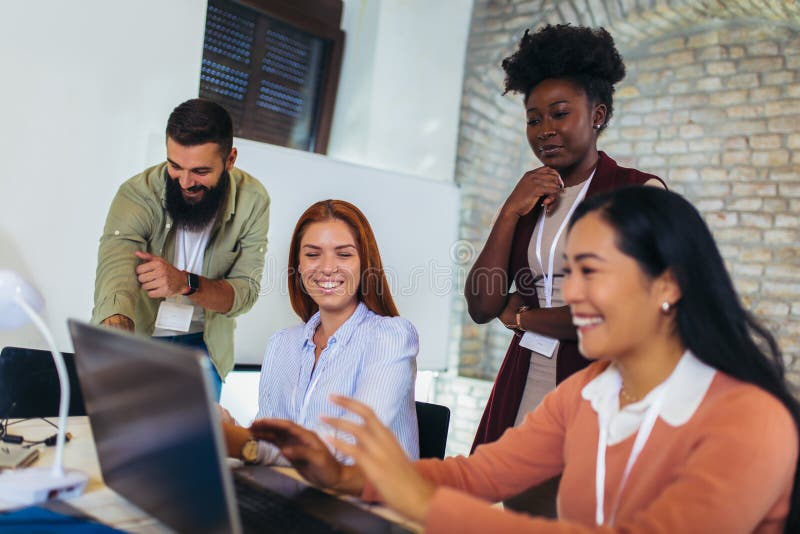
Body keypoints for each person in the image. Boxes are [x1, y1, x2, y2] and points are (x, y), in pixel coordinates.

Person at [248, 187, 800, 533]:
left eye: (591, 272)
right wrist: (343, 477)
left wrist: (421, 502)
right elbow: (478, 473)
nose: (570, 295)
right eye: (567, 273)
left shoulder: (750, 420)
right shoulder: (586, 392)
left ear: (668, 284)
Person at [466, 25, 666, 463]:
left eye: (559, 114)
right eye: (533, 119)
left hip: (603, 385)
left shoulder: (638, 193)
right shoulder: (531, 199)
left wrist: (520, 314)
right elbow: (482, 307)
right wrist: (508, 212)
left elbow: (620, 315)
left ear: (597, 114)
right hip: (526, 383)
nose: (544, 131)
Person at [92, 98, 270, 400]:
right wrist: (118, 352)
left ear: (230, 160)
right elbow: (115, 278)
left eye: (200, 171)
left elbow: (244, 293)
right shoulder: (136, 195)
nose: (185, 182)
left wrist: (184, 283)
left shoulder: (253, 200)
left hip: (205, 346)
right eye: (175, 166)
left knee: (194, 443)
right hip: (142, 337)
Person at [221, 200, 419, 465]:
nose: (327, 268)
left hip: (369, 503)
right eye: (313, 254)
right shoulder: (283, 344)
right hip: (299, 494)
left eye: (344, 254)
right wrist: (228, 427)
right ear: (298, 265)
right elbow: (269, 437)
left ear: (365, 263)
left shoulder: (391, 338)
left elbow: (346, 449)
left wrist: (240, 442)